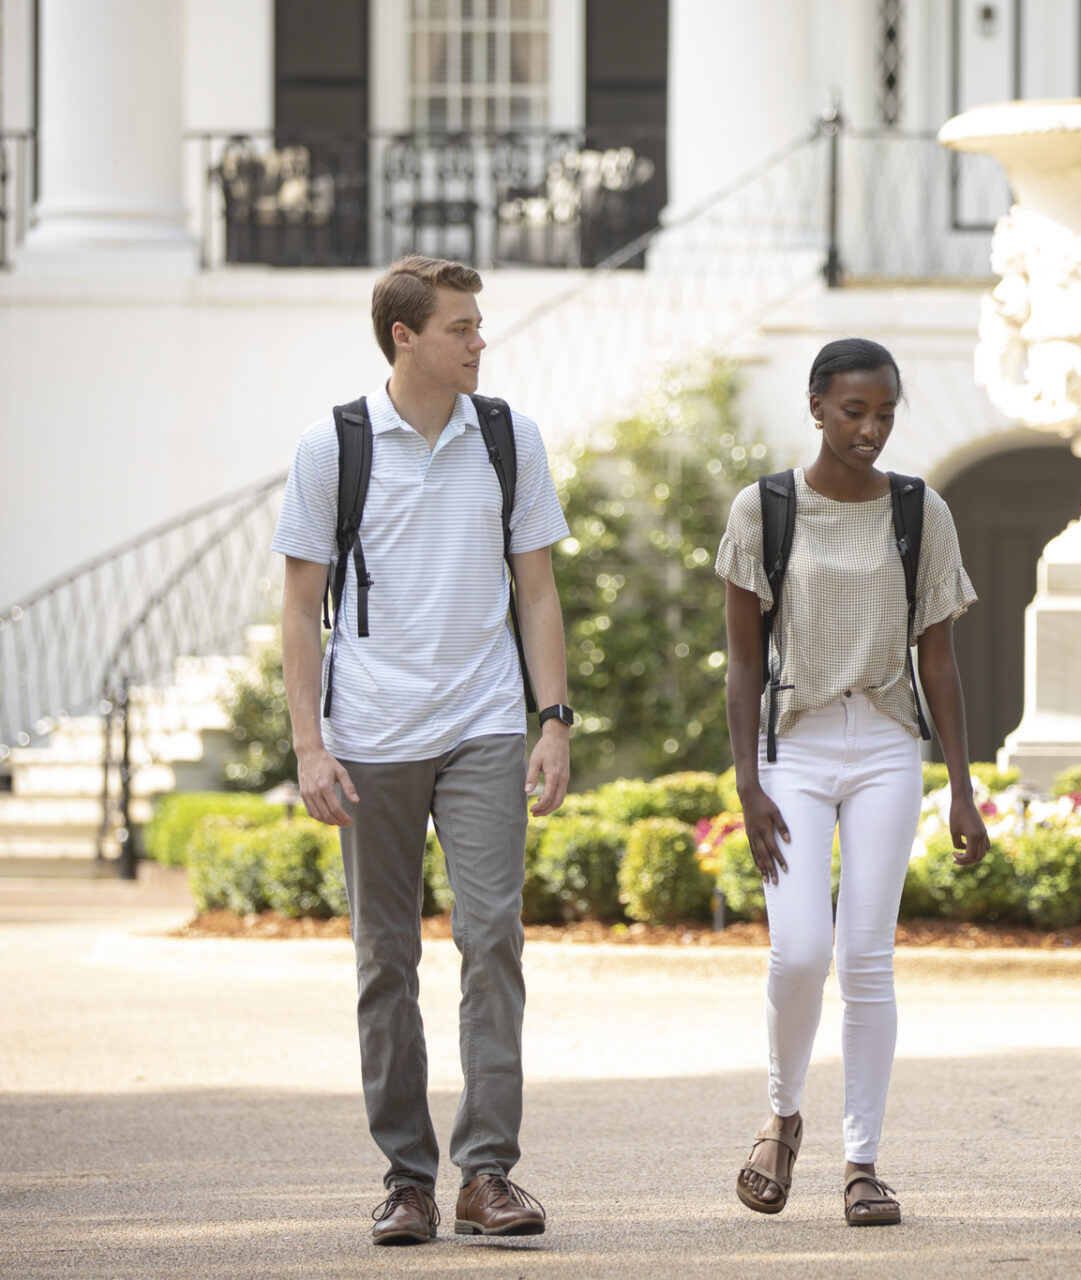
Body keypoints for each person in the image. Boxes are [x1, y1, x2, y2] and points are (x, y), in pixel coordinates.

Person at [274, 256, 574, 1245]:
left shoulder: (508, 438)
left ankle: (486, 1171)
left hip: (484, 723)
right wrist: (309, 744)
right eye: (460, 327)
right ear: (405, 337)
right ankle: (407, 1176)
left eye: (479, 324)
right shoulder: (337, 444)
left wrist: (555, 717)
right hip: (369, 737)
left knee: (493, 937)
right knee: (383, 958)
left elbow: (536, 588)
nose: (479, 339)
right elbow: (298, 602)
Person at [717, 337, 989, 1227]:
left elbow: (939, 661)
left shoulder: (921, 511)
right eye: (852, 413)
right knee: (798, 951)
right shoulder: (763, 510)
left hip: (884, 748)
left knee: (866, 959)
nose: (869, 430)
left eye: (884, 414)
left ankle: (862, 1163)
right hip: (793, 748)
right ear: (815, 406)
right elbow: (742, 663)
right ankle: (783, 1115)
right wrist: (748, 783)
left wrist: (961, 785)